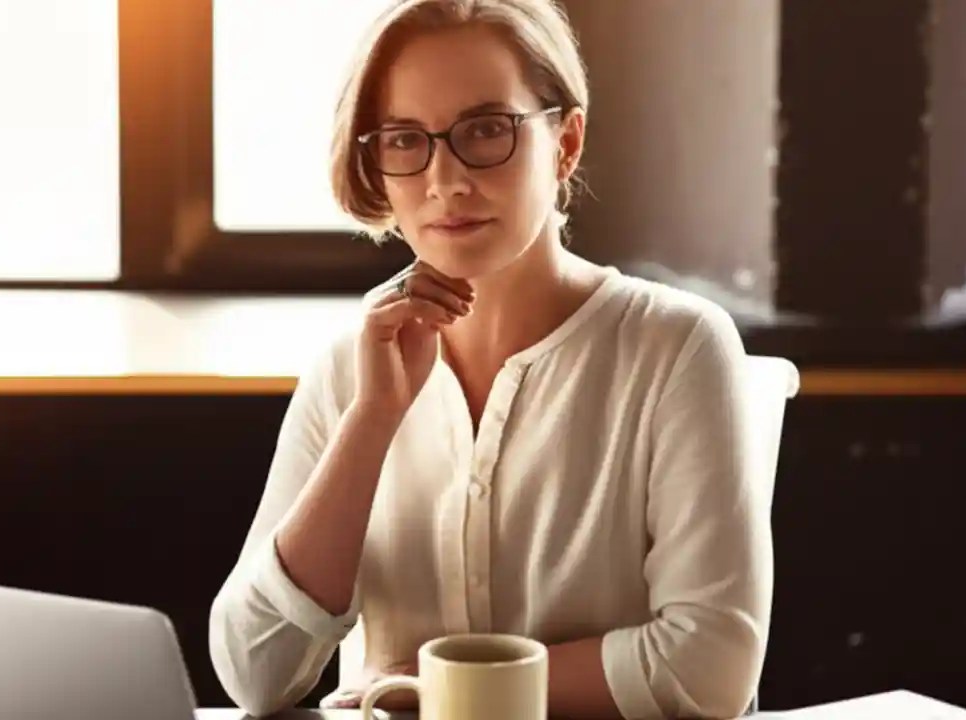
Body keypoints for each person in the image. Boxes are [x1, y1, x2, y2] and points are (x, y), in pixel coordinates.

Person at [208, 1, 770, 717]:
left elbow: (711, 667)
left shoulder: (677, 347)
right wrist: (373, 419)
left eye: (485, 131)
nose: (445, 180)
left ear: (565, 143)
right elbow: (254, 674)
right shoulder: (349, 372)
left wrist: (436, 684)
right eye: (406, 140)